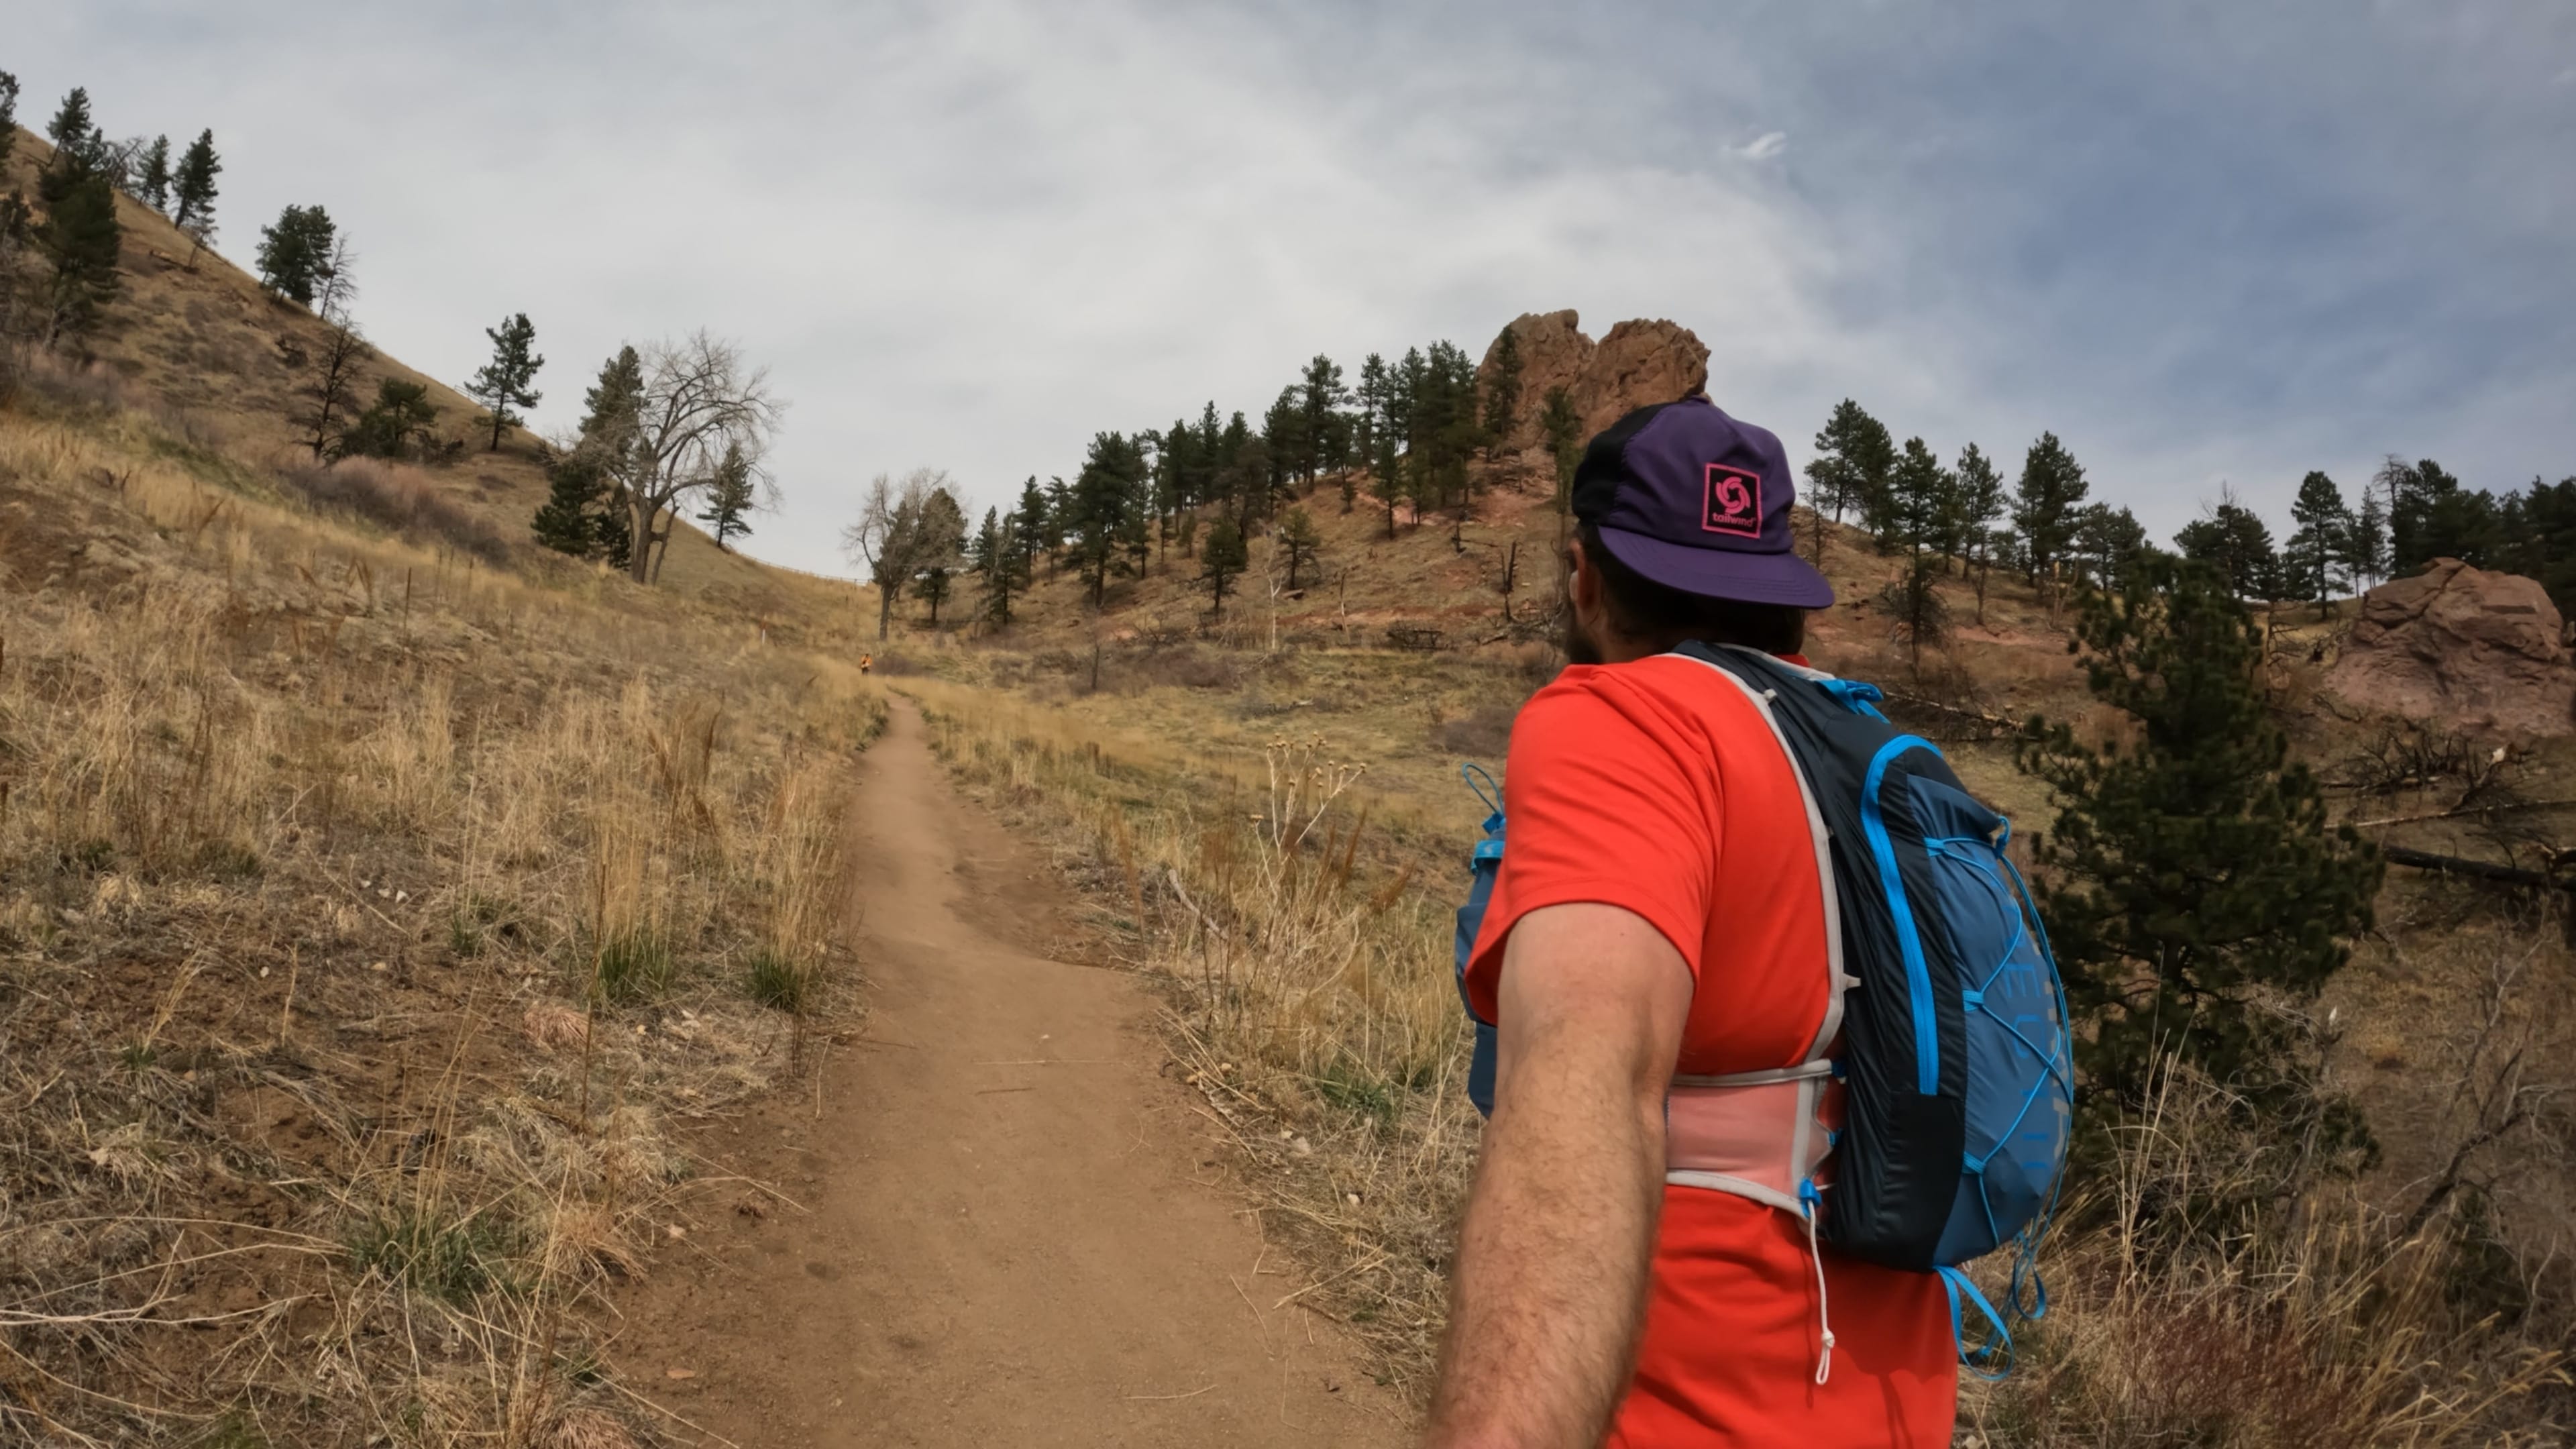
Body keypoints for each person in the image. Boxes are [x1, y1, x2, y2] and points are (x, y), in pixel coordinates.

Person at [1424, 395, 1957, 1447]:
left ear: (1585, 578)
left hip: (1693, 1404)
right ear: (1786, 600)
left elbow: (1592, 1080)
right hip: (1890, 1396)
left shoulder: (1622, 719)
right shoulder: (1868, 758)